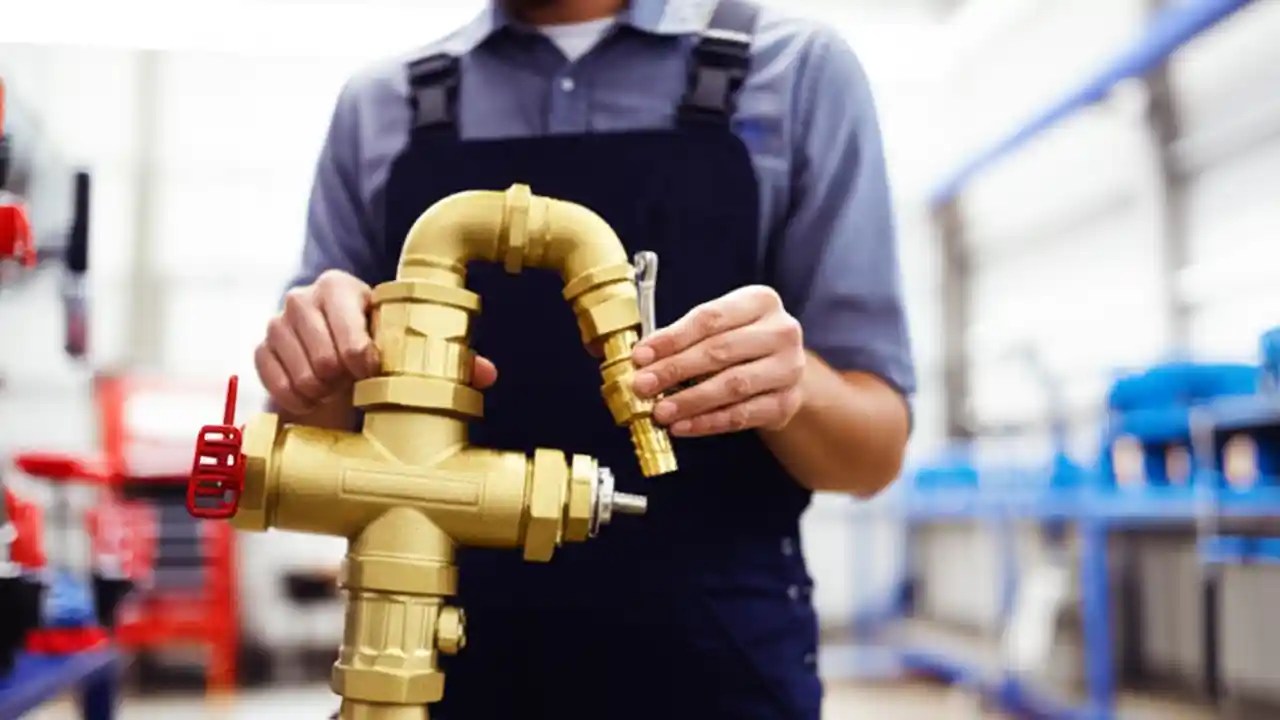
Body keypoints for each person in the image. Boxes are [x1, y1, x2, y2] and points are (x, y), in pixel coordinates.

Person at [259, 0, 915, 717]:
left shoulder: (797, 74)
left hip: (718, 678)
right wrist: (315, 360)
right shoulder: (378, 107)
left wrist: (799, 389)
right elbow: (308, 435)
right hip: (429, 675)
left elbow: (873, 455)